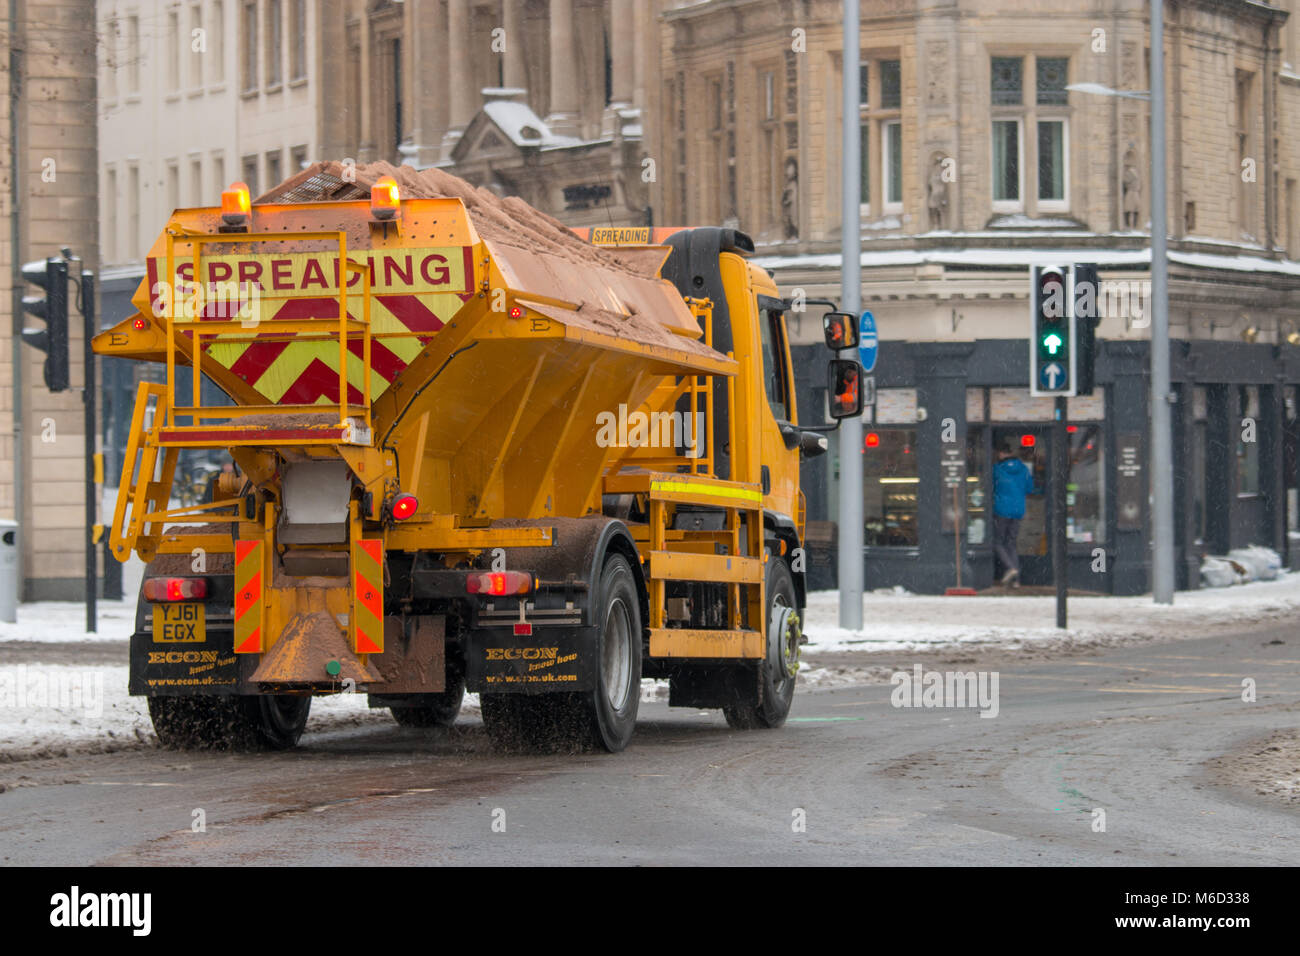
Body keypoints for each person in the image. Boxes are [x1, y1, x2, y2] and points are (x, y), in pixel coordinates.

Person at [993, 440, 1034, 586]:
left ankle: (1011, 568)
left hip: (1001, 510)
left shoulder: (997, 469)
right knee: (1010, 543)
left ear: (1001, 453)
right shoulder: (1023, 469)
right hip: (1018, 510)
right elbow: (1030, 489)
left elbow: (989, 487)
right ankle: (1016, 580)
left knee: (997, 542)